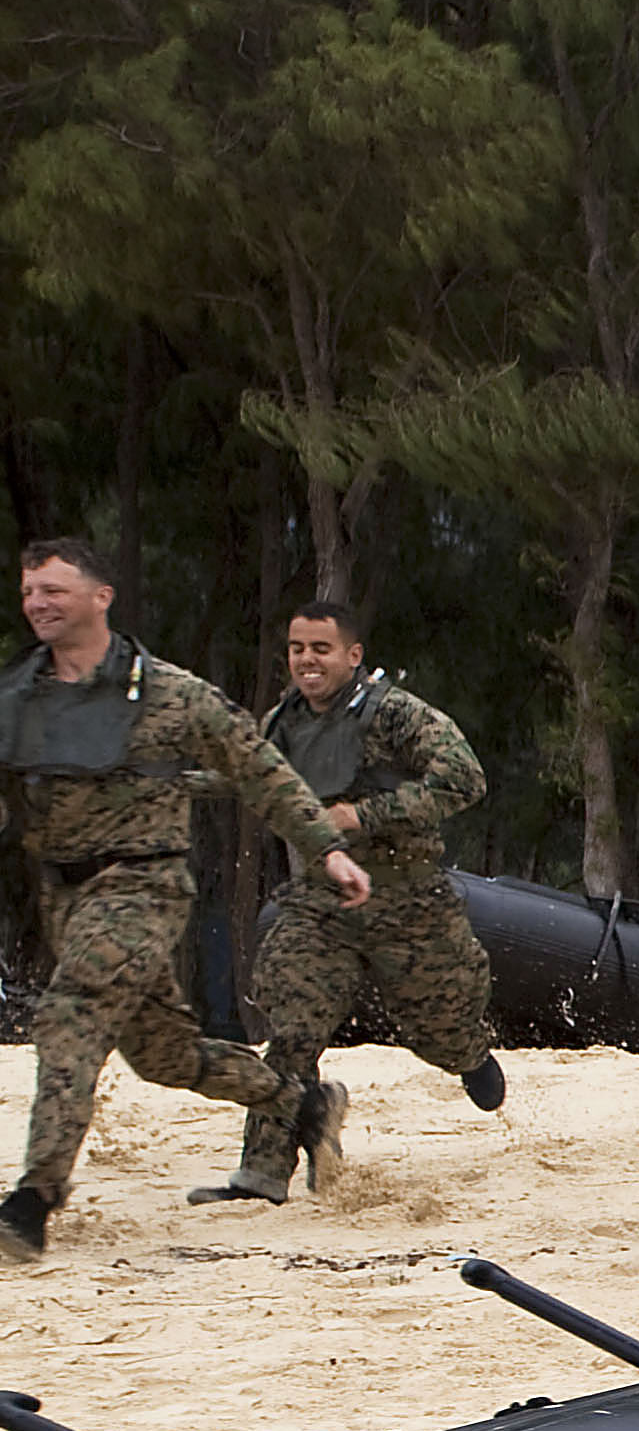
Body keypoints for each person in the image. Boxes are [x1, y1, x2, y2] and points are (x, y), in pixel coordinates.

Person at [0, 539, 369, 1261]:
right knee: (164, 1055)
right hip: (63, 897)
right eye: (29, 591)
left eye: (54, 589)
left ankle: (31, 1201)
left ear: (101, 597)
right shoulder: (20, 696)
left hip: (142, 886)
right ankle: (304, 1104)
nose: (38, 603)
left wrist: (325, 847)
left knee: (69, 1013)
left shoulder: (171, 693)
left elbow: (262, 771)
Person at [204, 598, 498, 1206]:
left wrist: (363, 814)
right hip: (322, 902)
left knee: (442, 1031)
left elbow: (465, 779)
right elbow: (244, 776)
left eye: (321, 649)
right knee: (291, 1029)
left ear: (353, 655)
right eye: (296, 649)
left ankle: (468, 1055)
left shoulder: (395, 714)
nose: (306, 661)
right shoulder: (281, 722)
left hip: (410, 902)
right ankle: (263, 1173)